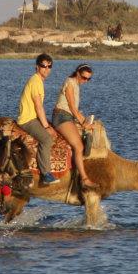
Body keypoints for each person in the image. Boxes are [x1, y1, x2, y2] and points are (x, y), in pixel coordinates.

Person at [52, 63, 99, 188]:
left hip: (68, 117)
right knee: (78, 146)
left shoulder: (77, 85)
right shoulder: (70, 83)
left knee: (87, 136)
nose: (86, 81)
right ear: (78, 73)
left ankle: (75, 170)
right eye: (84, 78)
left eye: (89, 79)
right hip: (61, 116)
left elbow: (75, 112)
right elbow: (72, 108)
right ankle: (84, 179)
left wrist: (87, 121)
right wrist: (84, 124)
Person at [17, 53, 59, 186]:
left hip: (32, 117)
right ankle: (45, 174)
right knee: (46, 139)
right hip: (27, 119)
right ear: (37, 67)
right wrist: (46, 127)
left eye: (49, 66)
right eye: (43, 66)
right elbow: (38, 106)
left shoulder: (38, 81)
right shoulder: (35, 81)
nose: (46, 69)